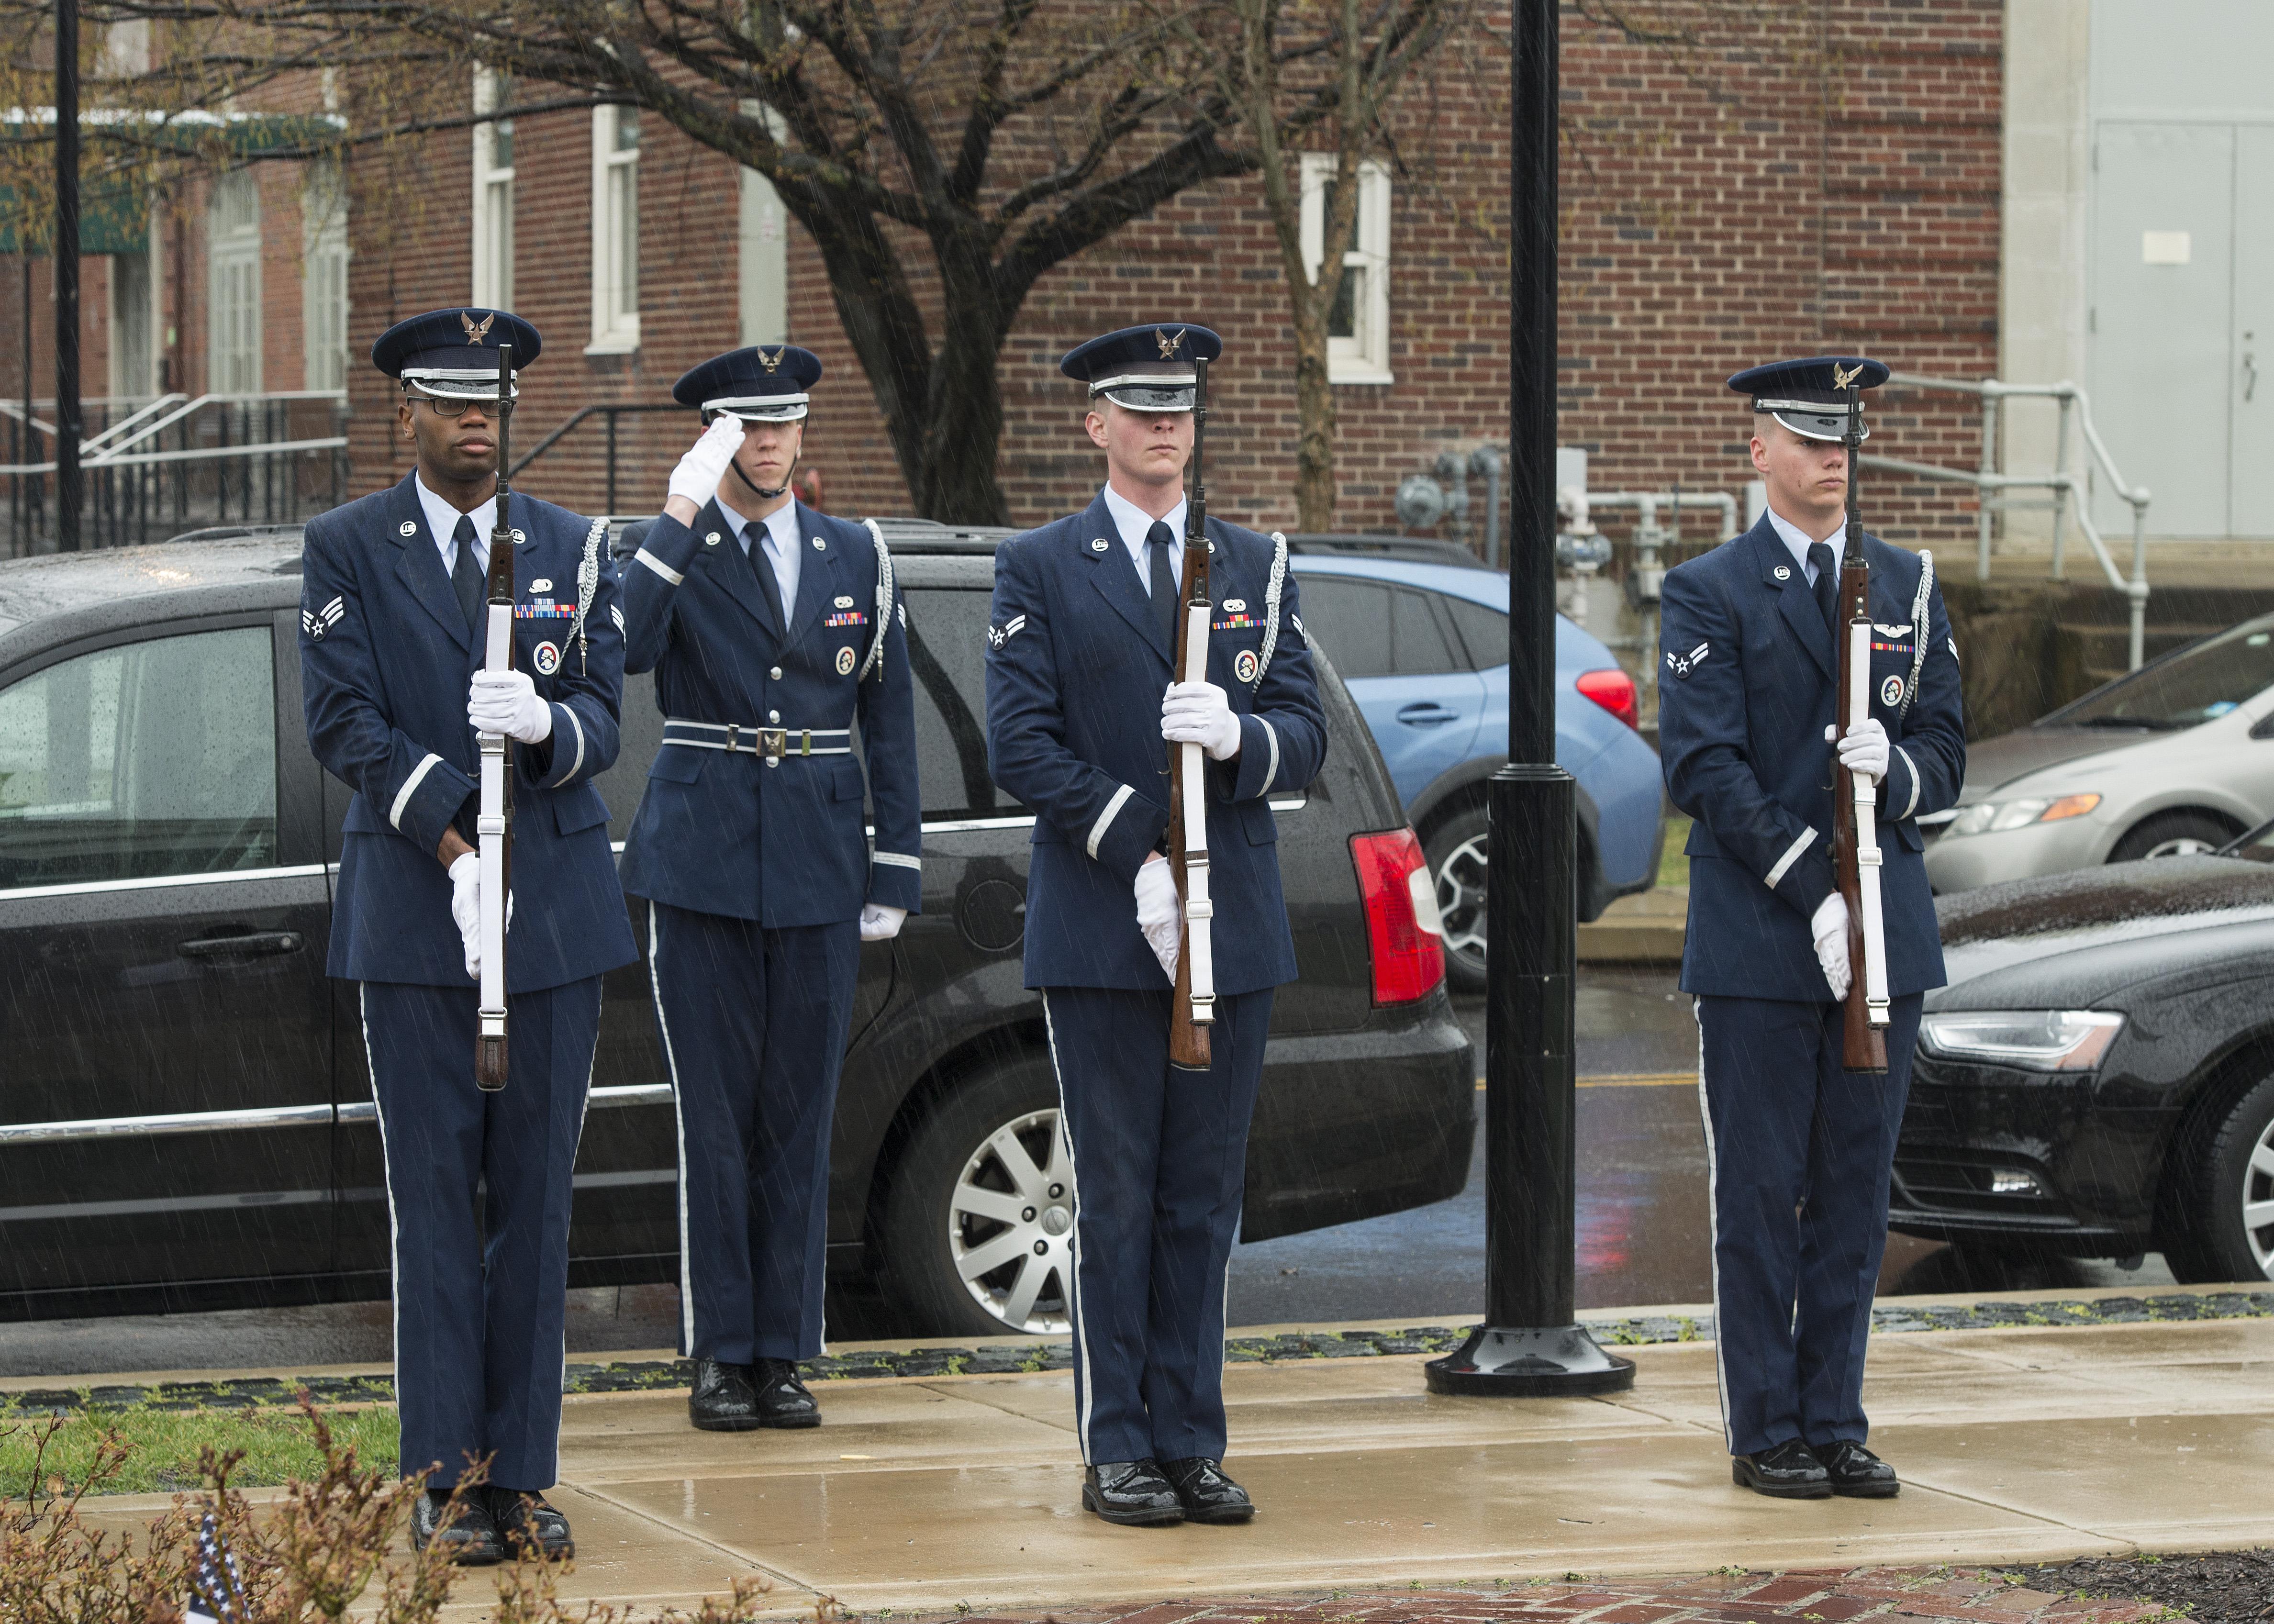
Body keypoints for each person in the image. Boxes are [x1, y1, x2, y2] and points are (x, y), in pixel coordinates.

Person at [300, 308, 636, 1562]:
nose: (477, 423)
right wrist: (451, 838)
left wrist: (548, 727)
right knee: (436, 1202)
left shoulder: (570, 544)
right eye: (453, 404)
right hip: (415, 910)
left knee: (537, 1205)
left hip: (549, 913)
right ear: (410, 415)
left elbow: (604, 706)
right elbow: (343, 723)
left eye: (492, 404)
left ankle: (523, 1472)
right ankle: (447, 1475)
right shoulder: (347, 548)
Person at [984, 323, 1327, 1527]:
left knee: (1203, 1196)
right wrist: (1135, 841)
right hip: (1103, 919)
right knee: (1118, 1192)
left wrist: (1242, 739)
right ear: (1096, 424)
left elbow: (1307, 730)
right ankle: (1115, 1439)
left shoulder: (1253, 561)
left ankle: (1191, 1434)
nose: (1164, 424)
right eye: (1138, 406)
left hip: (1229, 920)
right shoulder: (1041, 565)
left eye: (1179, 405)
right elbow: (1018, 743)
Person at [1656, 356, 1966, 1501]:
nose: (1834, 452)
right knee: (1761, 1191)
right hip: (1762, 936)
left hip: (1887, 934)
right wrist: (1812, 887)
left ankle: (1836, 1415)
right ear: (1761, 451)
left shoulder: (1909, 581)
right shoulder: (1712, 589)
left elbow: (1946, 749)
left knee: (1853, 1189)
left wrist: (1896, 777)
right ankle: (1766, 1425)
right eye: (1808, 434)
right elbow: (1705, 768)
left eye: (1845, 435)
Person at [616, 345, 920, 1433]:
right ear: (713, 435)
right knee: (717, 1119)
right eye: (748, 426)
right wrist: (676, 514)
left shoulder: (857, 552)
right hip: (701, 856)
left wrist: (896, 862)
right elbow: (623, 648)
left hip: (819, 857)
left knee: (800, 1115)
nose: (772, 442)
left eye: (785, 423)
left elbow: (886, 712)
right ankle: (719, 1348)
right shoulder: (678, 547)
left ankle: (785, 1349)